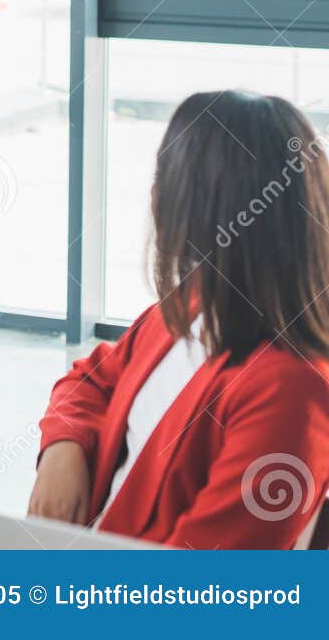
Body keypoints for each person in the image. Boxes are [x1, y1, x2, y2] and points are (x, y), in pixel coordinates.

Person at [30, 90, 329, 549]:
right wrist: (63, 447)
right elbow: (91, 379)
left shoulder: (290, 390)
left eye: (165, 177)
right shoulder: (183, 313)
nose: (154, 195)